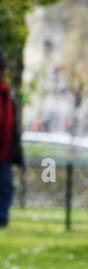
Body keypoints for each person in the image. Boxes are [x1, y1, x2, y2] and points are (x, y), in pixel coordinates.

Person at [0, 51, 21, 228]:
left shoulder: (6, 94)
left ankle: (2, 218)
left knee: (6, 186)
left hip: (4, 153)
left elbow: (11, 125)